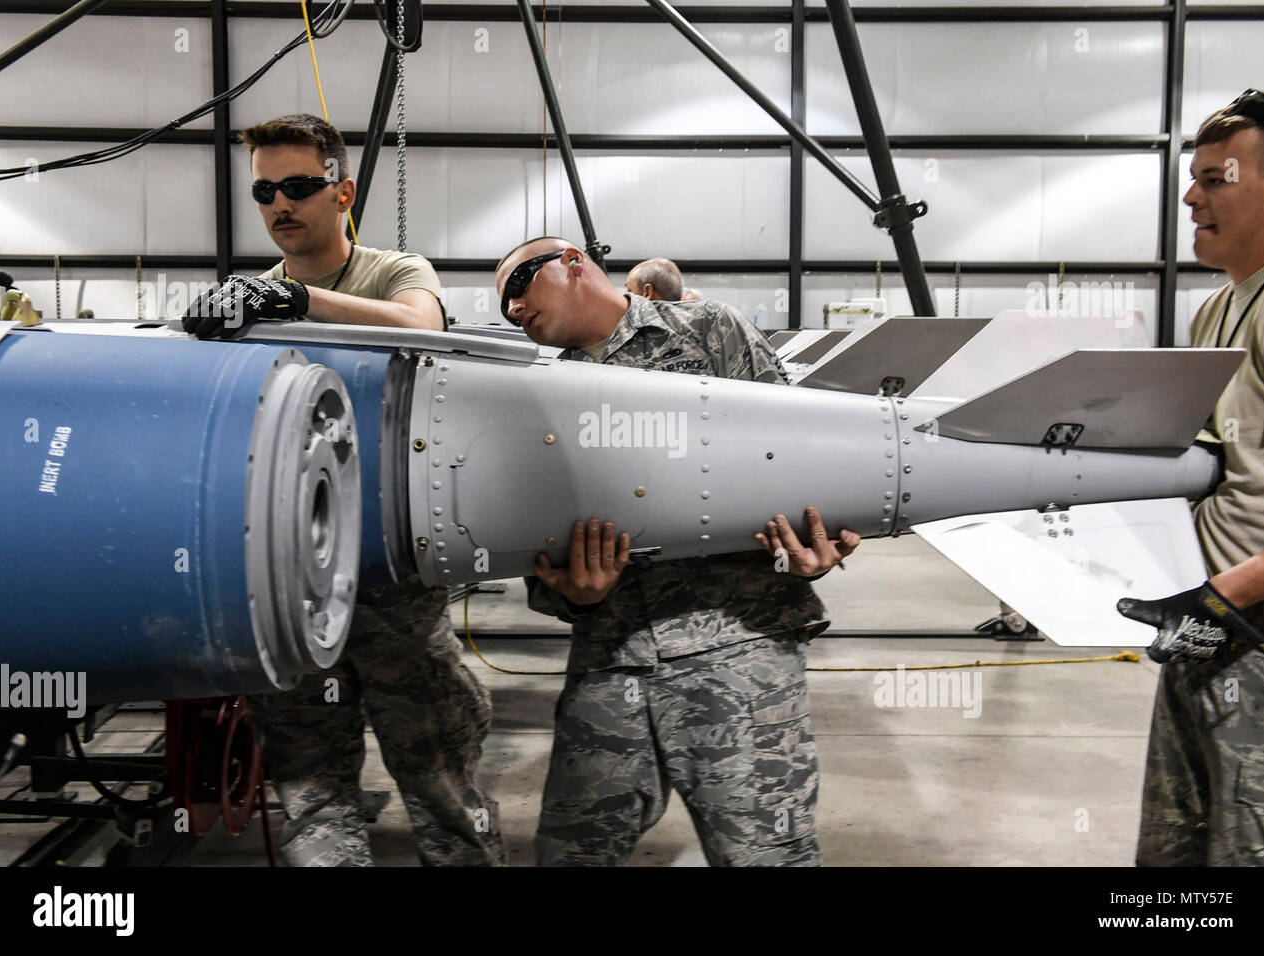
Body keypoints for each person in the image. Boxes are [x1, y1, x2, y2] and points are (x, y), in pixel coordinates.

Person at [187, 114, 505, 866]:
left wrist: (299, 305)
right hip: (288, 584)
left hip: (390, 581)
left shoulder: (393, 273)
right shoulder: (250, 299)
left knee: (441, 780)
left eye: (299, 186)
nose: (279, 206)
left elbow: (417, 325)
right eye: (265, 191)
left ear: (343, 191)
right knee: (311, 790)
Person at [496, 236, 861, 866]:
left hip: (738, 645)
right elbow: (541, 536)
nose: (511, 307)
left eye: (520, 283)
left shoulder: (707, 330)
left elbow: (801, 455)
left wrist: (811, 547)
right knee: (570, 852)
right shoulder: (540, 391)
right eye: (501, 301)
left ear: (574, 262)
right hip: (612, 653)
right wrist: (571, 596)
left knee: (764, 854)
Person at [1117, 89, 1264, 866]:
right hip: (1210, 629)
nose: (1191, 197)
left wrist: (1231, 592)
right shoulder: (1216, 310)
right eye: (1193, 179)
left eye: (1216, 178)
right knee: (1177, 858)